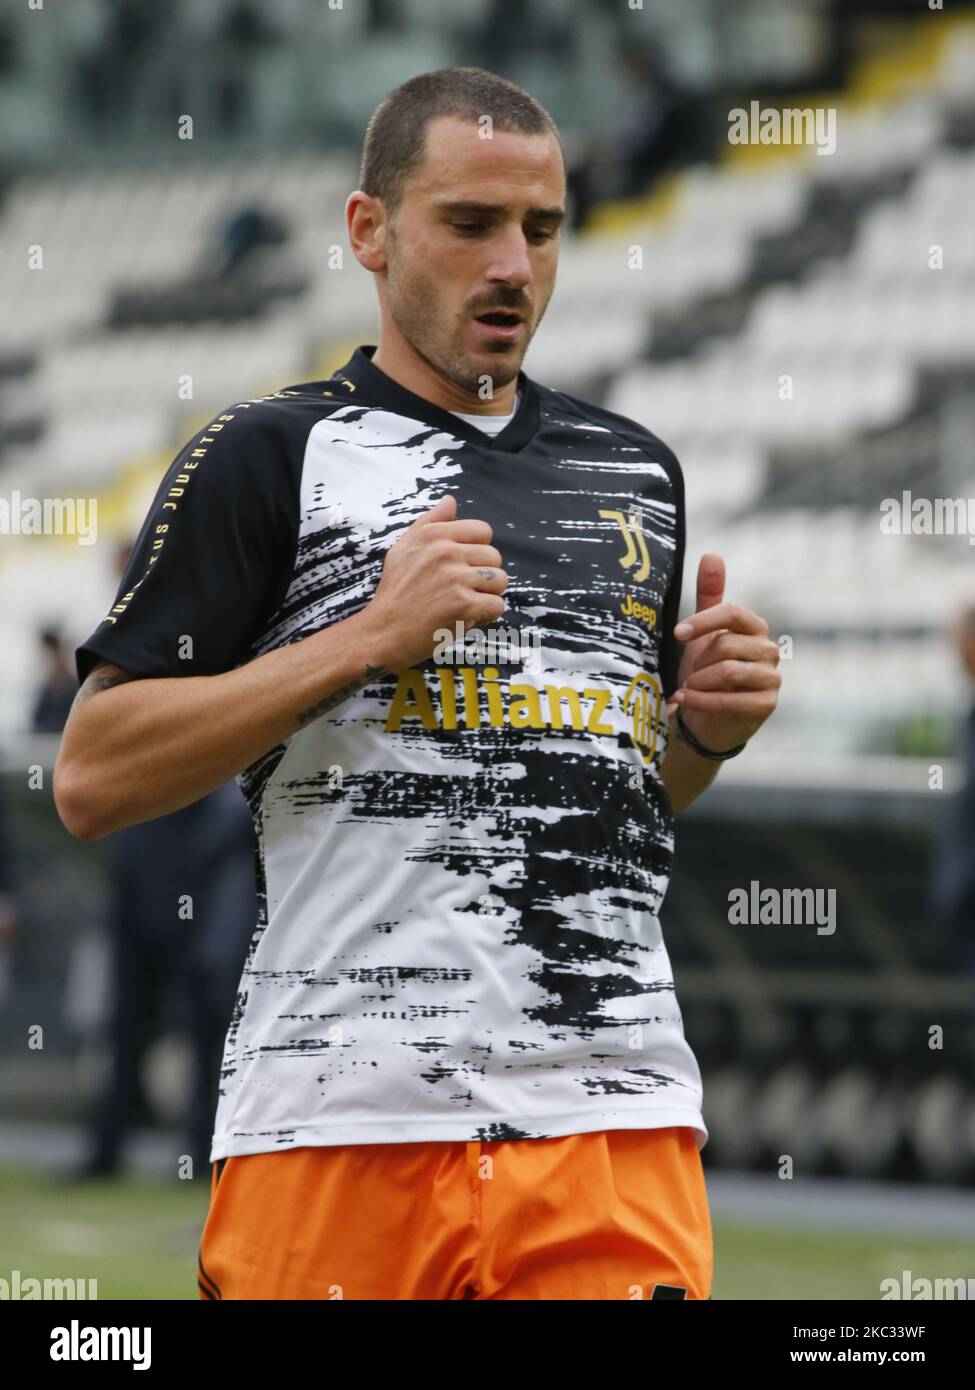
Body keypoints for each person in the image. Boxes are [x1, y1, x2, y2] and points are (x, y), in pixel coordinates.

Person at [54, 67, 781, 1300]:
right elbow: (92, 773)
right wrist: (360, 640)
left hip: (610, 1122)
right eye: (471, 224)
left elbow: (611, 812)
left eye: (541, 230)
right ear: (370, 233)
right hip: (338, 1126)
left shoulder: (636, 474)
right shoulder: (270, 456)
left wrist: (705, 736)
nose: (514, 265)